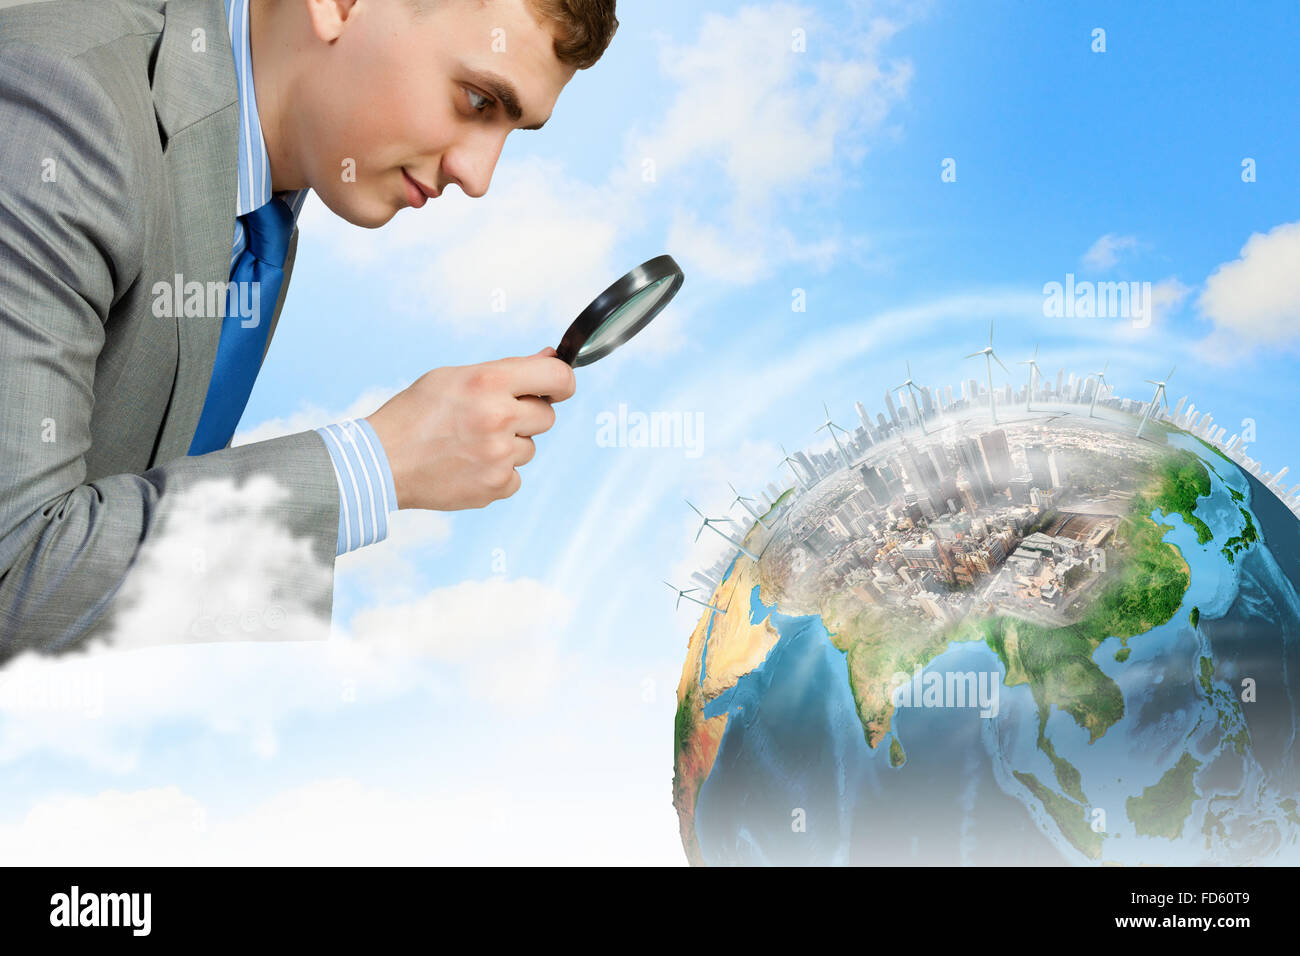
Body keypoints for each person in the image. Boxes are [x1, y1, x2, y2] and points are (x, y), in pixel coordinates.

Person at [0, 0, 616, 657]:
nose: (478, 175)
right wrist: (381, 464)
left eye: (512, 130)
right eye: (475, 100)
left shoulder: (265, 192)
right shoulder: (62, 102)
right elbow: (15, 576)